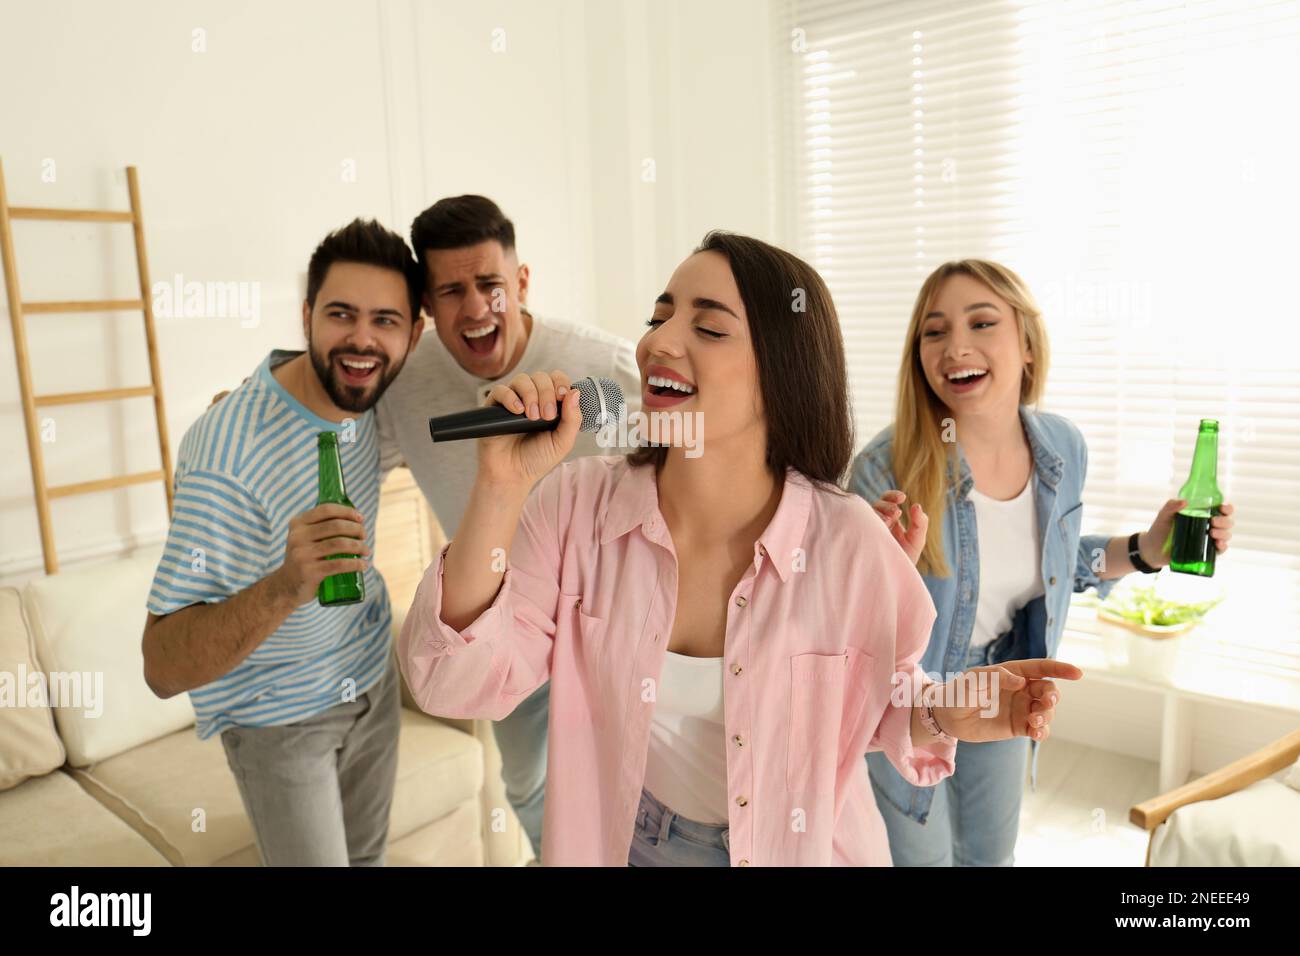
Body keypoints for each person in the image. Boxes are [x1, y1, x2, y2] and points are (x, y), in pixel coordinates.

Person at [398, 232, 1081, 866]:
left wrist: (948, 710)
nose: (658, 341)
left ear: (780, 373)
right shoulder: (577, 507)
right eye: (659, 316)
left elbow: (876, 705)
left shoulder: (847, 540)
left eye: (708, 326)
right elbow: (453, 680)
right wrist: (500, 484)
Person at [850, 259, 1237, 866]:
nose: (956, 347)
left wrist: (1147, 548)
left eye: (981, 323)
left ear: (1026, 345)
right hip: (908, 698)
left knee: (989, 856)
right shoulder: (886, 468)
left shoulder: (1061, 447)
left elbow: (1055, 564)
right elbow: (846, 619)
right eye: (934, 331)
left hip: (1004, 678)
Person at [142, 219, 424, 866]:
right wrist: (285, 586)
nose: (361, 338)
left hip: (372, 681)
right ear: (306, 316)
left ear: (413, 332)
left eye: (385, 320)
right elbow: (161, 667)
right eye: (340, 314)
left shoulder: (379, 395)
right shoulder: (222, 452)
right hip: (279, 717)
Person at [375, 195, 641, 859]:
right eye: (451, 291)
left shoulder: (605, 369)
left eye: (491, 284)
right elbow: (333, 434)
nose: (476, 308)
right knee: (527, 785)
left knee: (633, 795)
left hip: (611, 626)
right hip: (501, 625)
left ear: (521, 282)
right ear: (428, 309)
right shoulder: (404, 389)